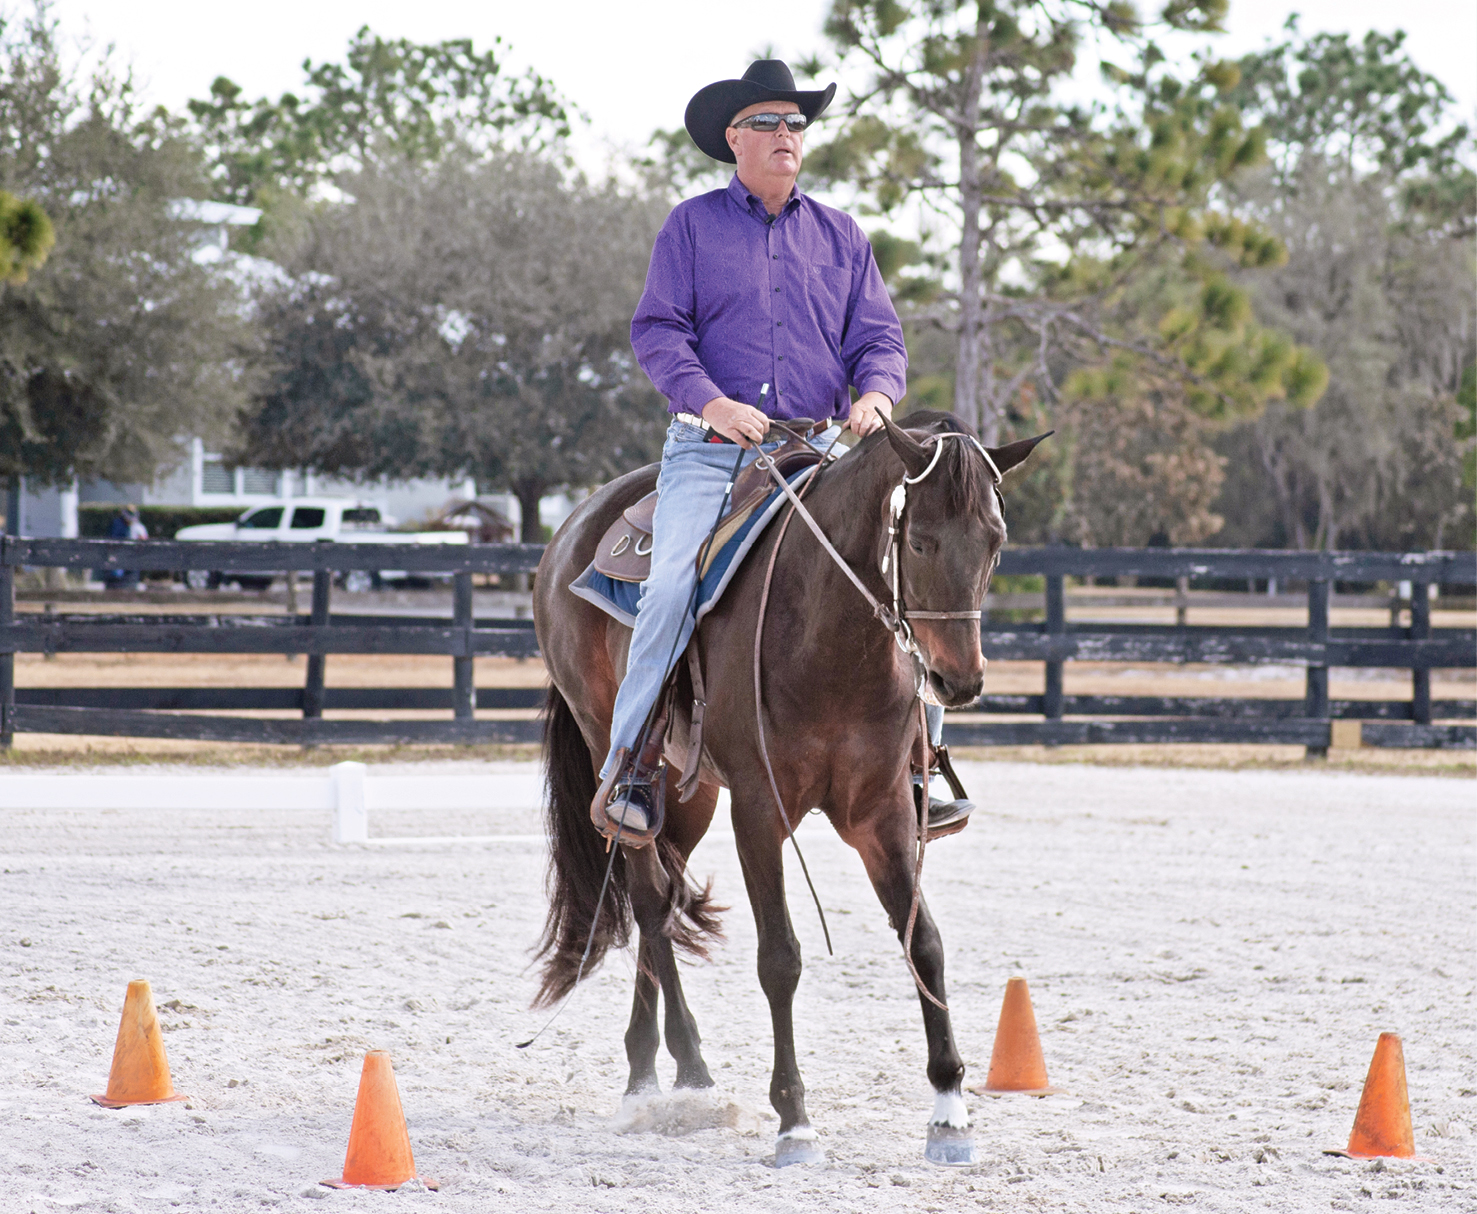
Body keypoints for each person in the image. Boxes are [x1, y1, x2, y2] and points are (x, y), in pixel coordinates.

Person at [599, 59, 972, 837]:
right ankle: (630, 766)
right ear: (734, 139)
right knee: (669, 590)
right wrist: (714, 402)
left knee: (913, 568)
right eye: (767, 123)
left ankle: (923, 767)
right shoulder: (690, 227)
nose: (785, 136)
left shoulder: (840, 235)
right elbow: (657, 332)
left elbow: (878, 338)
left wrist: (876, 394)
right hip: (713, 451)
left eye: (795, 123)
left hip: (825, 448)